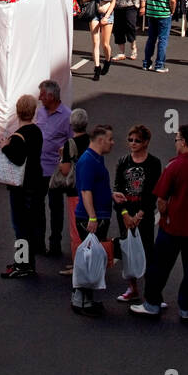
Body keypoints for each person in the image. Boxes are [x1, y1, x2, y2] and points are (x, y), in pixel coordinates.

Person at [131, 124, 188, 323]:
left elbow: (162, 199)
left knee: (159, 267)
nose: (175, 143)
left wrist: (166, 212)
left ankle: (152, 304)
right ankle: (186, 309)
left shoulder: (174, 166)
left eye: (176, 139)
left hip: (172, 227)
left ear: (183, 142)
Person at [113, 125, 162, 303]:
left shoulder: (154, 163)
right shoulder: (123, 161)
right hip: (125, 215)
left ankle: (153, 293)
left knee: (148, 252)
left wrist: (139, 215)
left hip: (144, 215)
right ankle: (132, 288)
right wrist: (125, 214)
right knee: (128, 252)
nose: (133, 143)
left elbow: (153, 193)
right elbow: (117, 189)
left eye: (137, 140)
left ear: (146, 142)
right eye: (130, 140)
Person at [71, 124, 115, 317]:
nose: (113, 143)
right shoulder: (88, 161)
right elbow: (85, 191)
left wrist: (112, 195)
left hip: (98, 214)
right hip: (90, 217)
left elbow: (95, 188)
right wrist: (93, 217)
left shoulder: (97, 159)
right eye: (110, 139)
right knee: (89, 259)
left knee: (93, 258)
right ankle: (81, 299)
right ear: (100, 140)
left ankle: (86, 298)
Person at [0, 94, 43, 279]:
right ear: (33, 112)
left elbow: (17, 159)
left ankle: (22, 264)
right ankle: (28, 262)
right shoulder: (37, 132)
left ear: (17, 112)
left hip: (21, 187)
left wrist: (4, 147)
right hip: (35, 183)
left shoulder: (18, 137)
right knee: (30, 225)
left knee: (20, 227)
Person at [35, 79, 72, 258]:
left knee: (55, 208)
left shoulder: (67, 116)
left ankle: (55, 244)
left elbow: (73, 143)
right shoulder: (40, 112)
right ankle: (39, 243)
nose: (39, 97)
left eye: (42, 94)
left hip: (55, 171)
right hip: (38, 168)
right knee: (37, 207)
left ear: (51, 96)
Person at [56, 108, 90, 275]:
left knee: (75, 229)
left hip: (75, 190)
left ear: (71, 125)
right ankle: (86, 260)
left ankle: (79, 265)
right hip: (90, 189)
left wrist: (62, 156)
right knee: (88, 225)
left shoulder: (71, 144)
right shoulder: (91, 141)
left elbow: (64, 170)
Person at [81, 0, 116, 79]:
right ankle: (97, 68)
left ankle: (107, 60)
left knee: (105, 44)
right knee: (96, 42)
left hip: (107, 15)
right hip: (94, 14)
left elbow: (113, 2)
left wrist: (106, 16)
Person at [143, 0, 177, 73]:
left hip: (152, 12)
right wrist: (172, 10)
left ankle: (146, 62)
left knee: (151, 38)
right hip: (163, 13)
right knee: (162, 39)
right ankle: (159, 64)